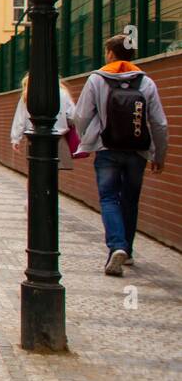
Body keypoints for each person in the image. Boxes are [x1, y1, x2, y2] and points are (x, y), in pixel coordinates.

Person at [73, 34, 168, 276]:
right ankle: (128, 251)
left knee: (108, 198)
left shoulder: (97, 79)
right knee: (130, 199)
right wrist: (159, 154)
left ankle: (117, 246)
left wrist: (89, 138)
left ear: (111, 53)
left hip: (107, 149)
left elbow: (81, 115)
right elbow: (159, 123)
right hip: (137, 151)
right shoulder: (146, 82)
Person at [10, 73, 78, 170]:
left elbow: (20, 118)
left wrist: (16, 138)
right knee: (53, 171)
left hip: (34, 139)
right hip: (57, 138)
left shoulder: (28, 94)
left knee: (35, 170)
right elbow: (72, 116)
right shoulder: (62, 93)